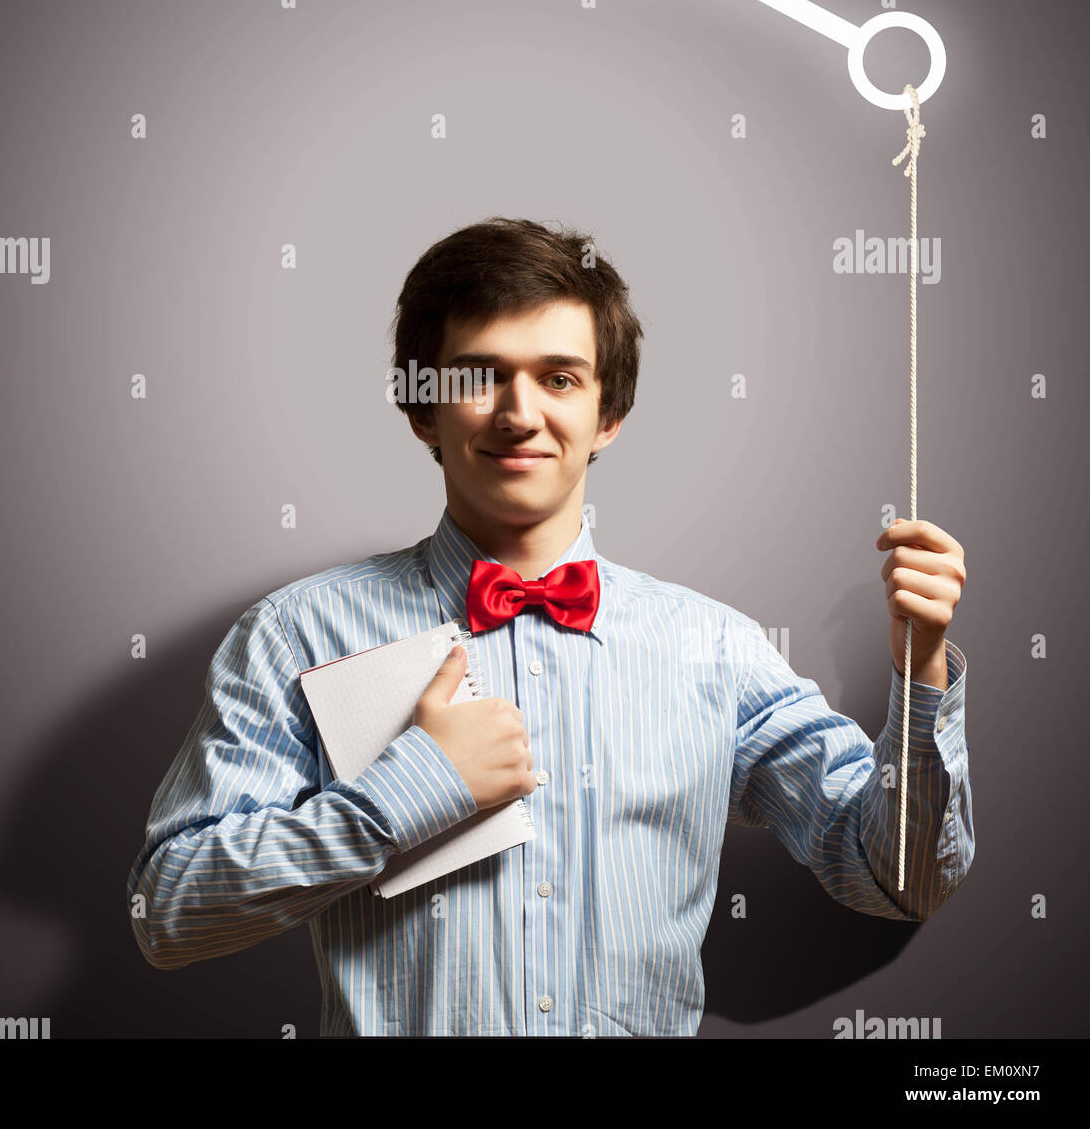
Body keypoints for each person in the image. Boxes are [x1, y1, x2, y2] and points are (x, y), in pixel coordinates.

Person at [125, 216, 972, 1037]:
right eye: (477, 376)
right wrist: (409, 792)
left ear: (609, 416)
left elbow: (897, 878)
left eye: (560, 378)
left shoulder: (715, 651)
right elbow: (167, 912)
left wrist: (920, 668)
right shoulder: (295, 633)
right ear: (424, 410)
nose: (517, 413)